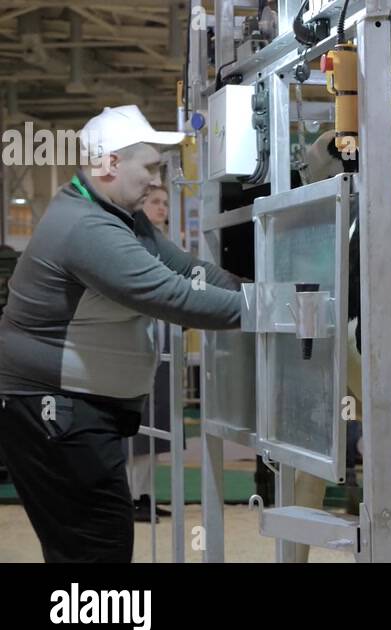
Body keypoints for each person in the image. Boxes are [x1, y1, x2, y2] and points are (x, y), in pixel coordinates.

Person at [0, 105, 243, 563]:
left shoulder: (121, 217)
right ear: (110, 163)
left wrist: (254, 289)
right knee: (97, 550)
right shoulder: (86, 227)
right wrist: (270, 310)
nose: (156, 181)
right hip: (55, 413)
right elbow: (172, 296)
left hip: (73, 413)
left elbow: (189, 271)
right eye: (149, 167)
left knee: (91, 548)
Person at [129, 187, 175, 523]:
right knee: (139, 423)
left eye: (165, 203)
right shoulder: (132, 242)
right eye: (155, 202)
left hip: (162, 338)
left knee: (157, 421)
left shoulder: (163, 244)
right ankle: (130, 496)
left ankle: (144, 494)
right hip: (139, 340)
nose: (162, 208)